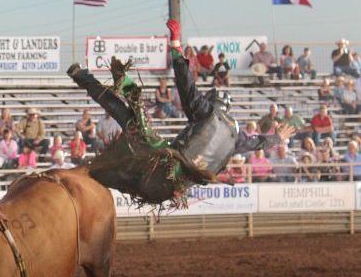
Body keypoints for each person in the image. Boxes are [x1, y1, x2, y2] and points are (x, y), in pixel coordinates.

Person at [67, 19, 293, 205]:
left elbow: (186, 85)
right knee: (111, 171)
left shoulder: (207, 113)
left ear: (213, 103)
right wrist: (278, 138)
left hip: (160, 166)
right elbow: (258, 142)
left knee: (130, 118)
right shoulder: (235, 138)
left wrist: (175, 46)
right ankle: (108, 84)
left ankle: (90, 78)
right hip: (167, 192)